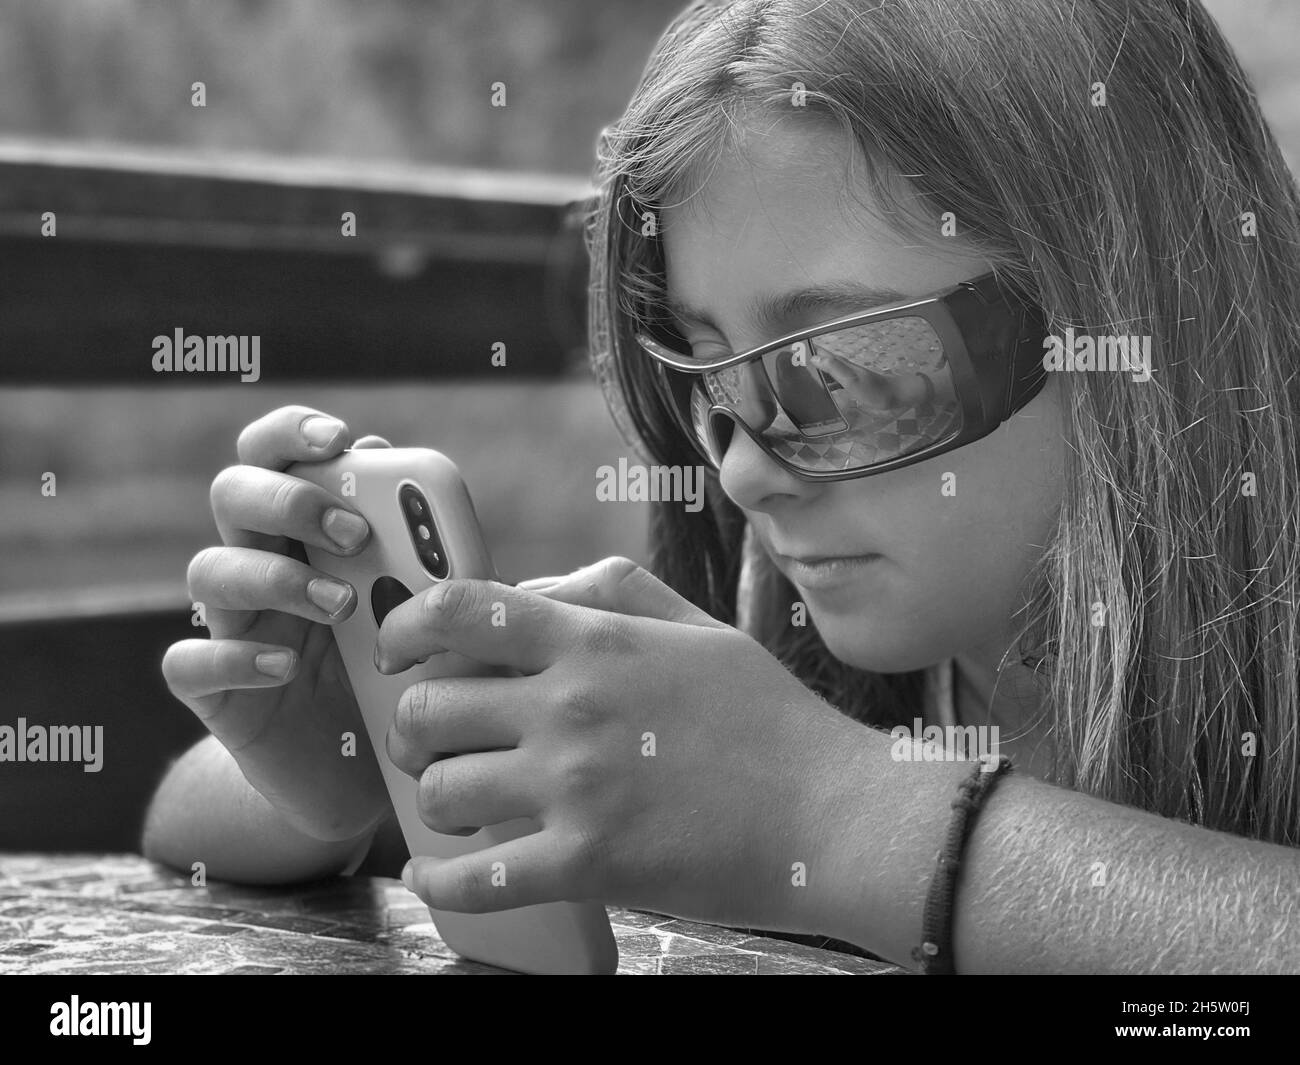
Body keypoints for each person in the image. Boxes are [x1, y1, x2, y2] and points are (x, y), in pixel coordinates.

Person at [143, 0, 1300, 973]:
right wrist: (365, 771)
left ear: (1133, 327)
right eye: (707, 377)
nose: (744, 465)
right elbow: (179, 822)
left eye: (838, 370)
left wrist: (831, 813)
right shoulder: (775, 610)